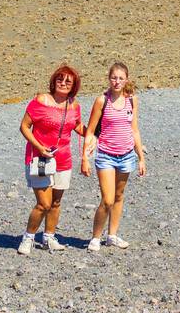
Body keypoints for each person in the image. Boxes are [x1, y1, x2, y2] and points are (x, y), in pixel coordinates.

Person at [18, 64, 85, 255]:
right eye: (60, 79)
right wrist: (39, 147)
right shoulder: (40, 101)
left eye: (68, 81)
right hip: (40, 158)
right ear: (53, 81)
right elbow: (24, 127)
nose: (63, 83)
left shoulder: (74, 105)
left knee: (55, 203)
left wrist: (98, 130)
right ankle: (28, 237)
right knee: (44, 204)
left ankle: (49, 236)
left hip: (63, 159)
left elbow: (78, 127)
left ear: (73, 86)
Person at [83, 63, 146, 251]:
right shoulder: (102, 101)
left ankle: (112, 235)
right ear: (108, 78)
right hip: (106, 155)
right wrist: (85, 158)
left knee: (119, 196)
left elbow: (134, 130)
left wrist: (141, 157)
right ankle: (95, 237)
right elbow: (91, 131)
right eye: (114, 78)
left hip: (126, 155)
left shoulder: (132, 100)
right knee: (107, 199)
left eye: (120, 78)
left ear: (126, 79)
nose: (117, 81)